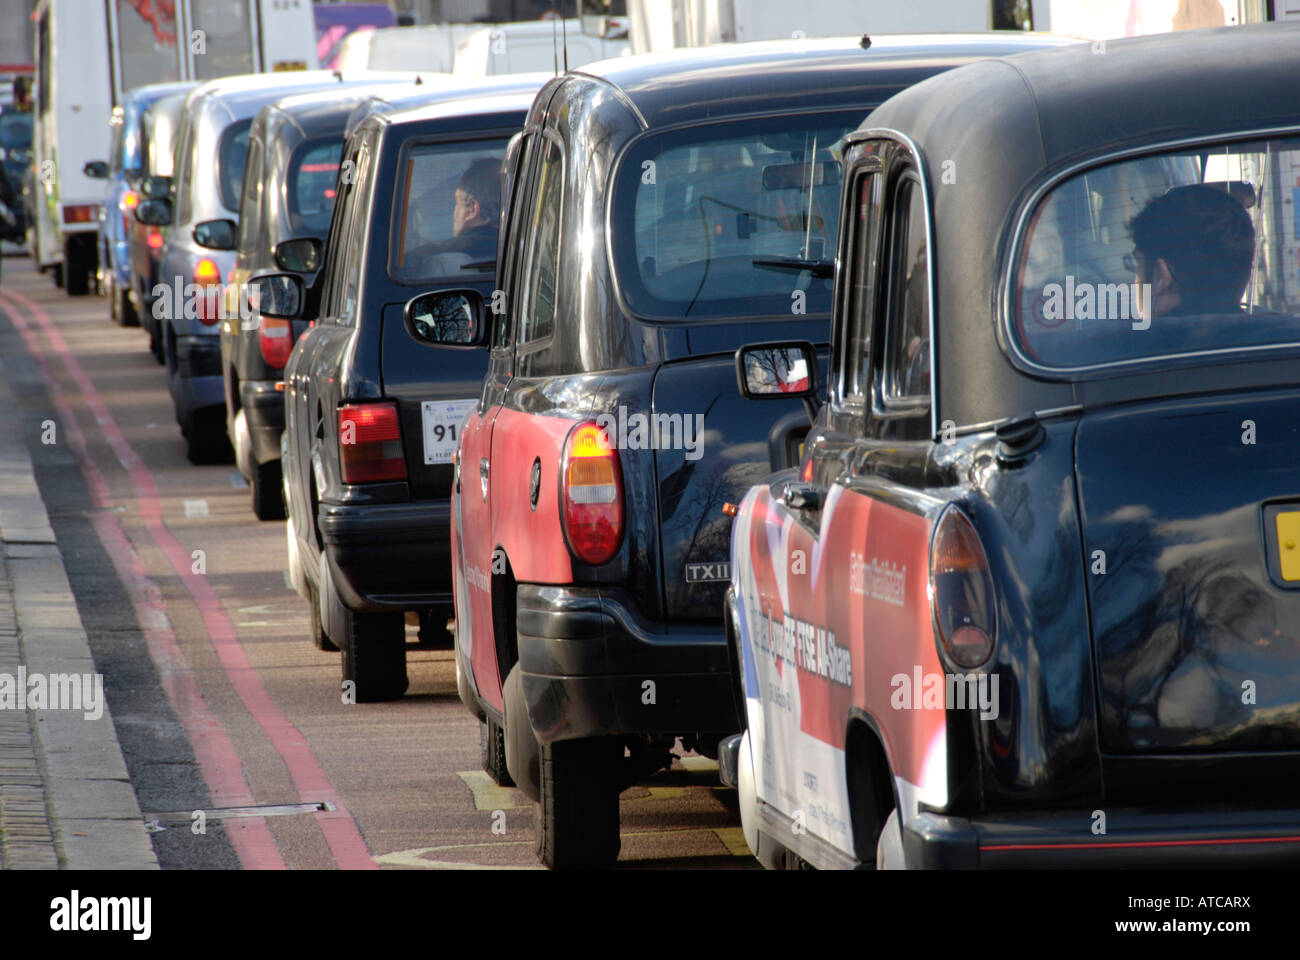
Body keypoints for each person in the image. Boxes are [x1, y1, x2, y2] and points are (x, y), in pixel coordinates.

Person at [1126, 183, 1255, 320]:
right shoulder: (1271, 337)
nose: (1136, 281)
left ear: (1161, 278)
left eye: (1138, 264)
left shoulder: (1121, 339)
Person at [412, 157, 500, 276]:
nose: (454, 210)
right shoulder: (527, 252)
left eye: (456, 202)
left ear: (473, 209)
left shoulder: (429, 259)